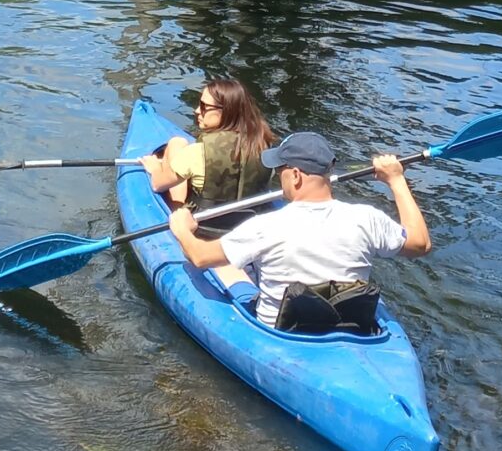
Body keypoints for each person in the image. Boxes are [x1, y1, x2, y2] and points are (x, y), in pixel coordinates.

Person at [167, 128, 430, 329]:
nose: (278, 176)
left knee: (226, 265)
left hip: (283, 331)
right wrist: (396, 180)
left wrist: (182, 227)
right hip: (348, 325)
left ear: (295, 175)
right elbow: (420, 244)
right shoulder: (367, 218)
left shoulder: (265, 226)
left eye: (280, 169)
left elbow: (200, 257)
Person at [144, 76, 277, 231]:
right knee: (178, 144)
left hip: (204, 227)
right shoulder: (264, 145)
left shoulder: (198, 152)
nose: (197, 111)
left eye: (204, 106)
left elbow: (157, 185)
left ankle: (178, 211)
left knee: (176, 143)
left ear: (225, 110)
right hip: (248, 226)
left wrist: (155, 168)